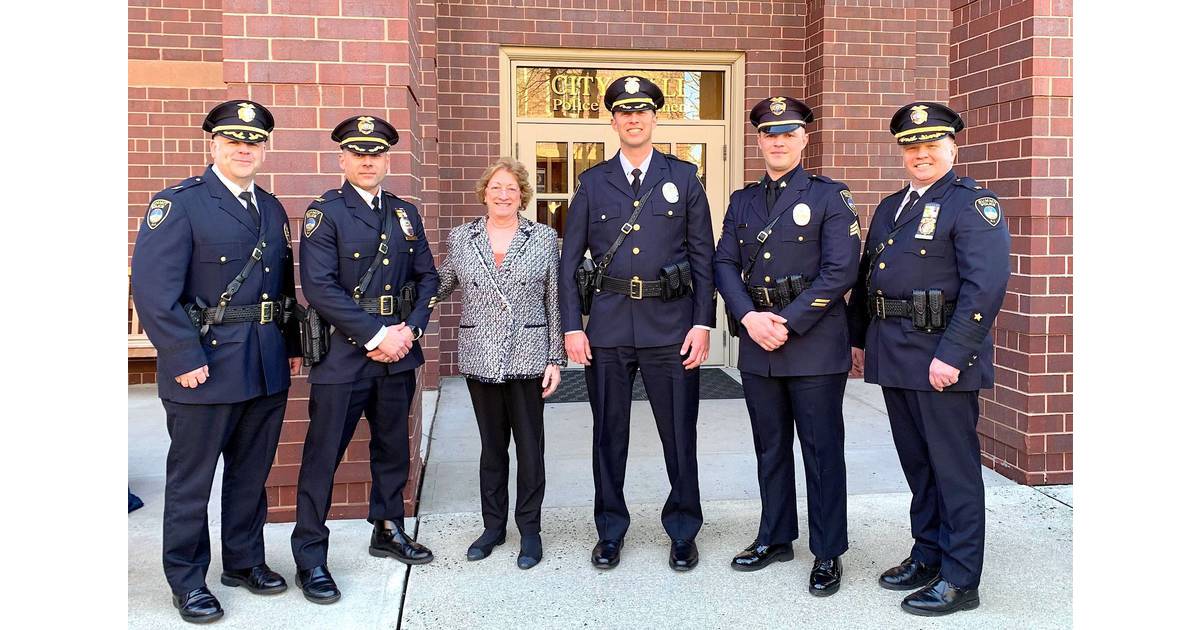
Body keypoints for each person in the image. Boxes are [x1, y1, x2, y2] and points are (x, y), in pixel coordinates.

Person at [131, 100, 302, 624]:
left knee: (251, 475)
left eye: (253, 142)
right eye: (233, 140)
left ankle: (245, 562)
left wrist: (292, 347)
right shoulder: (179, 203)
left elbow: (282, 286)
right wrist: (182, 355)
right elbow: (153, 291)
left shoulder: (270, 207)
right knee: (191, 480)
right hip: (203, 365)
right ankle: (186, 580)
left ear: (265, 149)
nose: (244, 149)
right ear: (212, 143)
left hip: (265, 363)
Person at [847, 102, 1011, 616]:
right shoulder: (892, 206)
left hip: (941, 358)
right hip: (895, 353)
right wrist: (857, 341)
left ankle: (962, 579)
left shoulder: (973, 205)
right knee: (919, 467)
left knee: (954, 471)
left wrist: (954, 355)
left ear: (953, 147)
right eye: (911, 145)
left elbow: (985, 289)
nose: (921, 153)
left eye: (932, 143)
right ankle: (927, 554)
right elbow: (868, 276)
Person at [557, 75, 716, 571]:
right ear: (613, 121)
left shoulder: (685, 177)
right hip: (606, 327)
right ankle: (610, 530)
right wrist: (572, 325)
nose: (633, 119)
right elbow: (569, 261)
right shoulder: (592, 181)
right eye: (624, 112)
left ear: (654, 118)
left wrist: (703, 322)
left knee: (678, 433)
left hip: (670, 326)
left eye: (642, 111)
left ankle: (684, 529)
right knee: (608, 433)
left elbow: (703, 257)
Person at [713, 96, 860, 595]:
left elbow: (841, 270)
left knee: (821, 452)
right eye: (768, 134)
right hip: (758, 342)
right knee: (770, 448)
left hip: (814, 344)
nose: (778, 141)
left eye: (788, 133)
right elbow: (723, 264)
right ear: (758, 141)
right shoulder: (742, 201)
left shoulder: (830, 197)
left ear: (803, 139)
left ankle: (827, 551)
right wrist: (750, 317)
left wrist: (788, 322)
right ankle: (775, 535)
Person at [291, 114, 438, 604]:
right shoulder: (324, 212)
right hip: (344, 356)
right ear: (343, 158)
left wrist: (410, 329)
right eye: (358, 152)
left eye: (375, 153)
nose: (367, 159)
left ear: (387, 159)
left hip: (398, 351)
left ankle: (388, 528)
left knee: (393, 449)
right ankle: (311, 555)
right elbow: (319, 288)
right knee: (323, 456)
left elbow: (427, 279)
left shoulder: (404, 212)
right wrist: (375, 336)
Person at [435, 157, 565, 570]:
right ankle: (493, 527)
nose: (503, 194)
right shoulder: (462, 237)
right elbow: (441, 283)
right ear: (485, 194)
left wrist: (555, 358)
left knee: (530, 448)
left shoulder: (543, 237)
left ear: (522, 194)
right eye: (496, 188)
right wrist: (404, 309)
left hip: (528, 353)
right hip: (480, 353)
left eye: (511, 188)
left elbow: (554, 298)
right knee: (492, 449)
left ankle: (530, 528)